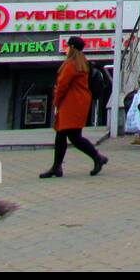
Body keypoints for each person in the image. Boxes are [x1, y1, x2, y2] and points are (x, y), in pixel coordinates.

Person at [41, 36, 106, 177]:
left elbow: (62, 86)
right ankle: (57, 166)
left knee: (71, 136)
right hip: (80, 103)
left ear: (71, 48)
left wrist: (56, 102)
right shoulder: (83, 63)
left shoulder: (70, 64)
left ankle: (96, 157)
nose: (65, 48)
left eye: (67, 46)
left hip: (70, 104)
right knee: (67, 135)